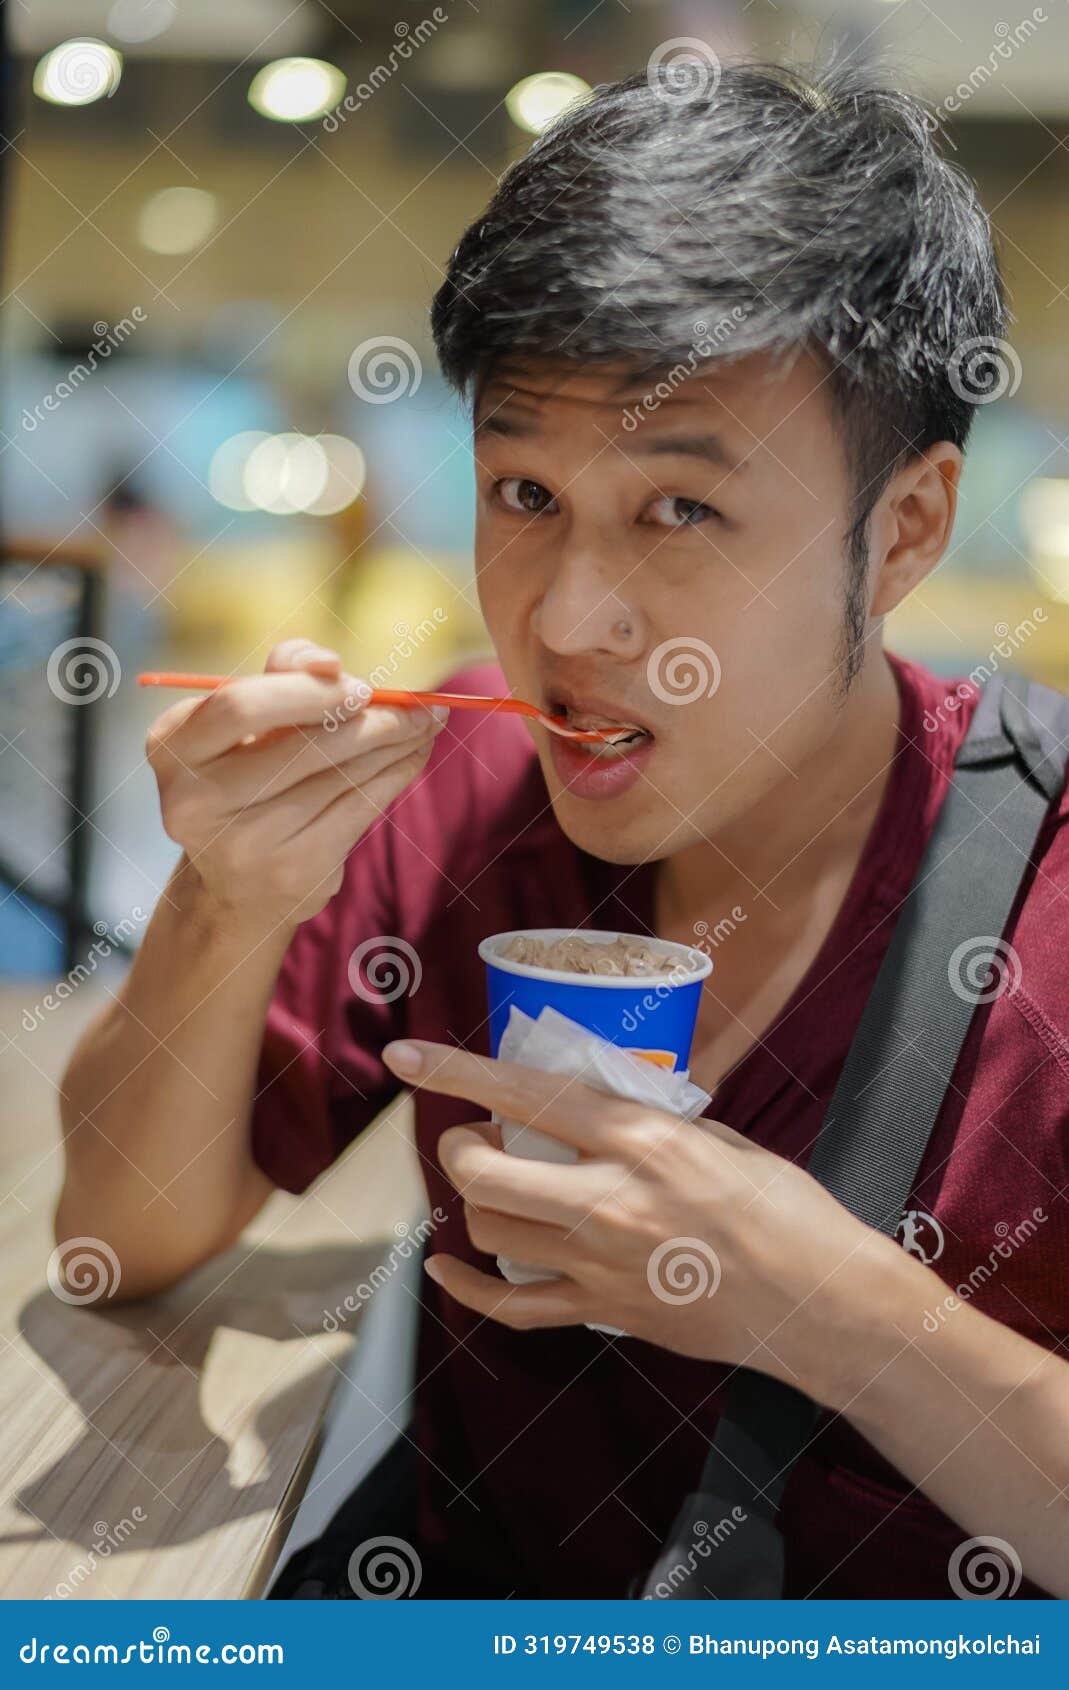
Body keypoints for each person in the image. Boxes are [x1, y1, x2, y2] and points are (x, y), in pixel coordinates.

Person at [58, 55, 1068, 1600]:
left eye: (680, 510)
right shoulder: (467, 793)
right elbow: (120, 1236)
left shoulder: (1042, 903)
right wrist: (229, 895)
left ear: (908, 526)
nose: (572, 621)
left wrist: (823, 1301)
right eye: (523, 491)